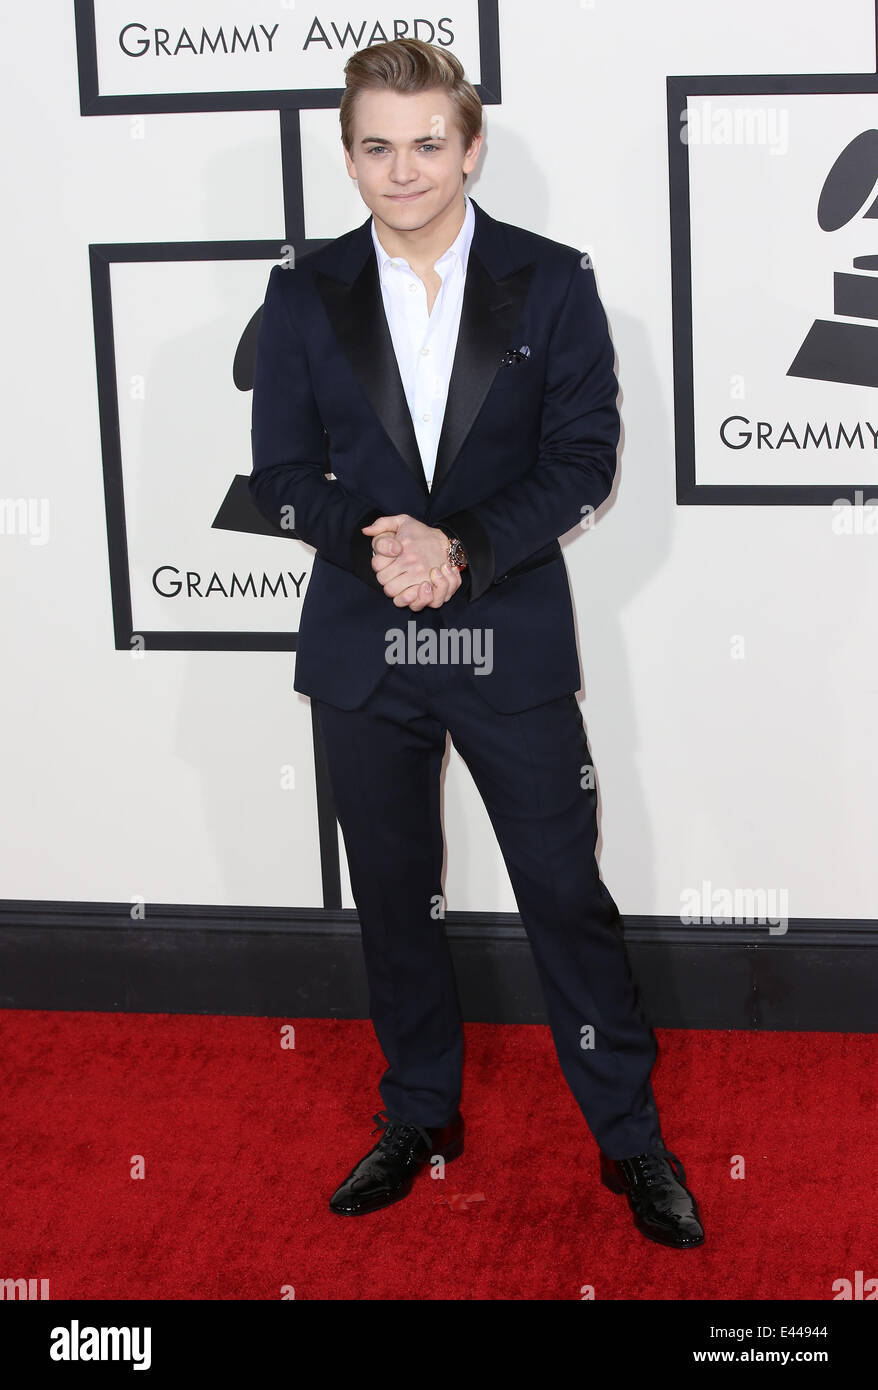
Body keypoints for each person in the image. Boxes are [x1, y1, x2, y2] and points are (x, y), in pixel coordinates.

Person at [249, 37, 704, 1249]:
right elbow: (280, 478)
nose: (403, 170)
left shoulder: (551, 282)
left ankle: (628, 1137)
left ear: (470, 146)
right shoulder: (302, 292)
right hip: (361, 644)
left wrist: (458, 549)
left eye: (427, 143)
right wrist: (381, 544)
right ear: (347, 154)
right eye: (376, 146)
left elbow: (584, 463)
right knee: (395, 900)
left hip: (505, 636)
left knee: (564, 894)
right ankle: (419, 1115)